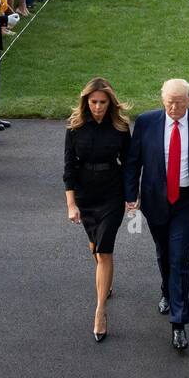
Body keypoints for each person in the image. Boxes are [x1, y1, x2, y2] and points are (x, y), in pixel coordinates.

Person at [123, 78, 189, 352]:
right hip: (156, 200)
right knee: (164, 253)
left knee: (179, 258)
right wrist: (131, 195)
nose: (174, 108)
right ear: (162, 100)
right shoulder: (146, 122)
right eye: (169, 103)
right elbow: (133, 161)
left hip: (188, 202)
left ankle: (179, 324)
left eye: (179, 102)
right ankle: (166, 290)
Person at [64, 78, 132, 342]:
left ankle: (100, 311)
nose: (98, 107)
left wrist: (130, 196)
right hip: (85, 194)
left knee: (104, 250)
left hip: (111, 193)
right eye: (93, 102)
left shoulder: (121, 127)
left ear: (110, 103)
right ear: (86, 101)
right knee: (95, 247)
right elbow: (68, 169)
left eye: (103, 102)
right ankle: (106, 283)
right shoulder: (74, 127)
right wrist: (71, 204)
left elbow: (129, 164)